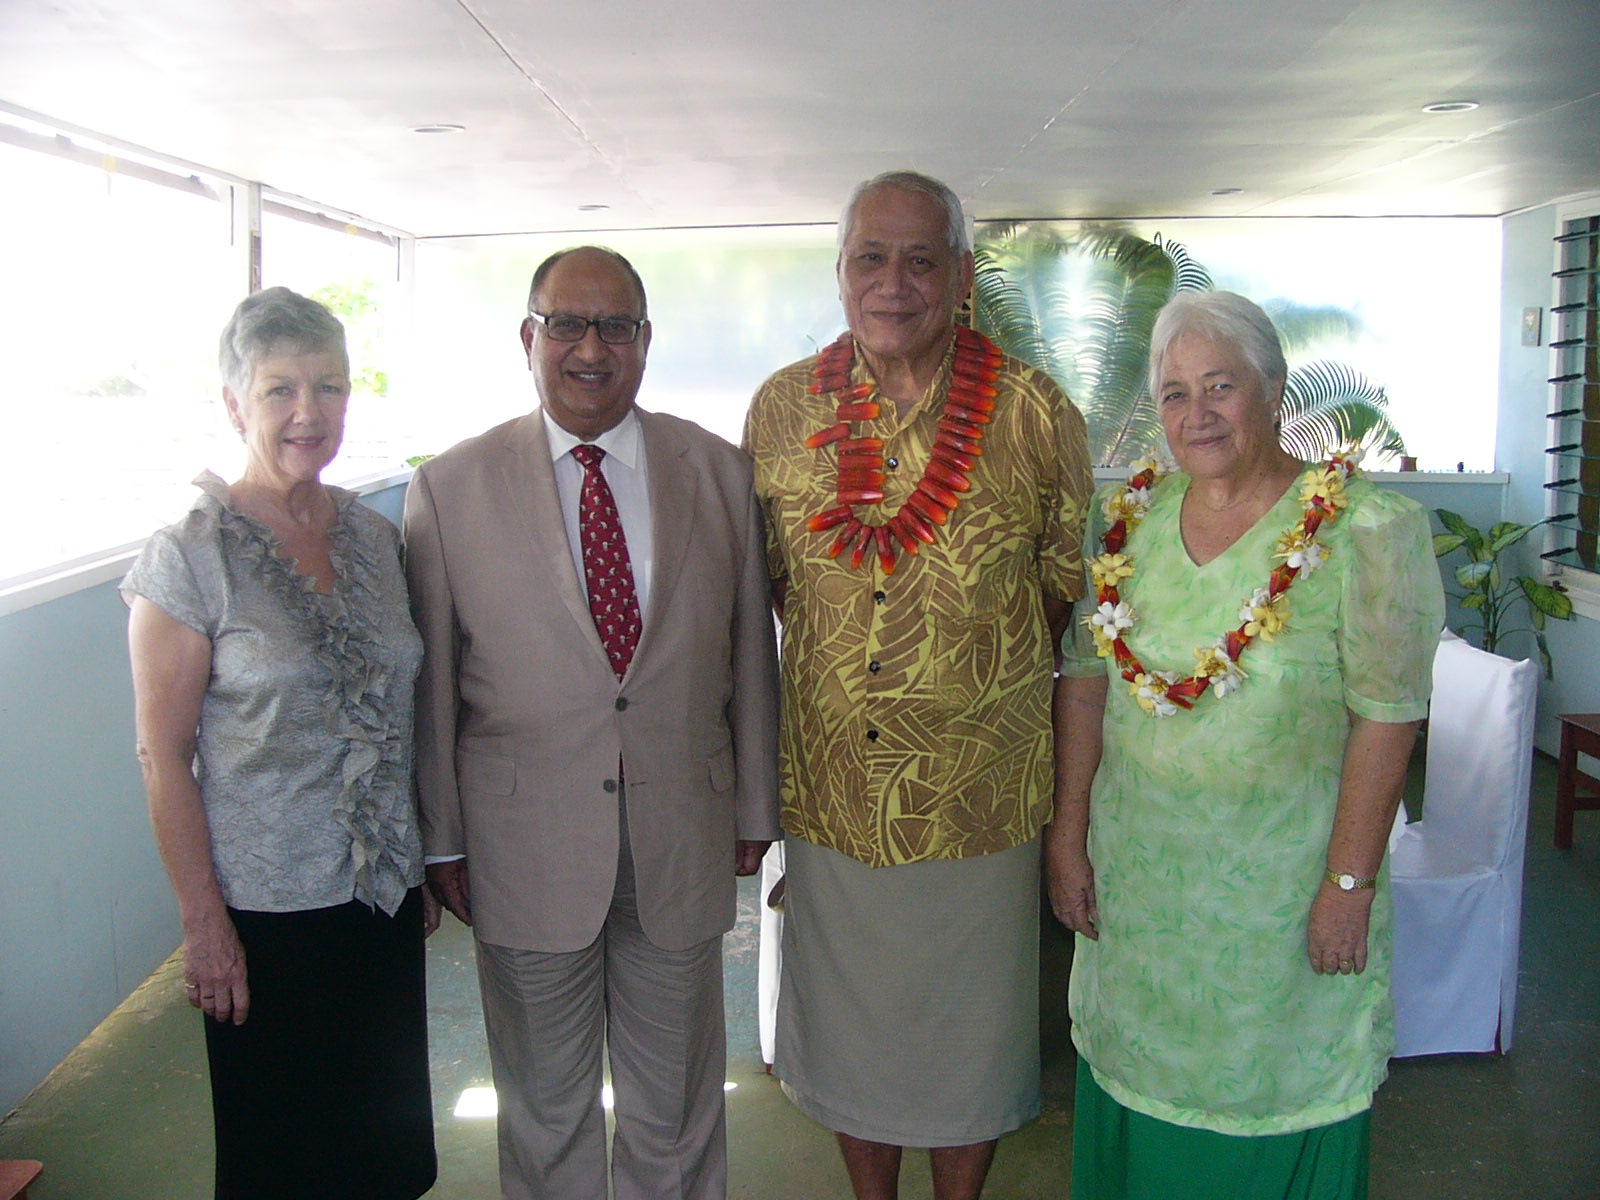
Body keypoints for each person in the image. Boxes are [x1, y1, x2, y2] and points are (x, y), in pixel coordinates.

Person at [743, 170, 1093, 1199]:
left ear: (962, 274)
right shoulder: (778, 410)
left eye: (919, 258)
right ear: (841, 270)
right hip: (832, 797)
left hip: (981, 797)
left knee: (968, 1043)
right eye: (869, 257)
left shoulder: (1034, 412)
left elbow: (1063, 602)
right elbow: (771, 588)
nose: (892, 283)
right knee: (853, 1038)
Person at [404, 246, 781, 1200]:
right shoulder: (449, 490)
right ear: (528, 338)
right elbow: (435, 688)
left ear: (645, 342)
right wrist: (441, 839)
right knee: (545, 1106)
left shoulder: (719, 472)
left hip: (680, 836)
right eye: (566, 324)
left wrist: (755, 810)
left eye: (615, 326)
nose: (589, 348)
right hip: (520, 844)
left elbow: (750, 655)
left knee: (678, 1106)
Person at [1050, 290, 1445, 1200]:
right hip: (1141, 900)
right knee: (1139, 1096)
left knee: (1273, 1105)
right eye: (1176, 393)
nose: (1198, 414)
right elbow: (1084, 682)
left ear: (1274, 390)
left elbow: (1388, 718)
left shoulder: (1364, 533)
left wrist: (1349, 885)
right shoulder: (1124, 526)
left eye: (1220, 386)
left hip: (1281, 908)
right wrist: (1068, 836)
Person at [123, 287, 436, 1200]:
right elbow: (160, 755)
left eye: (330, 387)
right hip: (264, 918)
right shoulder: (188, 555)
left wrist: (410, 856)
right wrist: (202, 921)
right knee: (285, 1164)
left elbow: (393, 711)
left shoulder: (377, 539)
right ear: (234, 403)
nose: (309, 412)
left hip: (378, 901)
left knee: (384, 1158)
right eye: (280, 389)